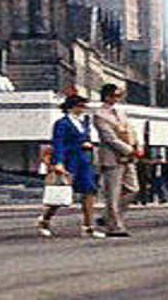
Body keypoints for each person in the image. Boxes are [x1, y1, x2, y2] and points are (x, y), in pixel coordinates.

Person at [38, 92, 103, 239]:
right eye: (80, 106)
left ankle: (88, 226)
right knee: (61, 193)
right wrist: (58, 162)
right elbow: (58, 143)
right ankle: (45, 219)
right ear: (71, 107)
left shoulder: (84, 122)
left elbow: (85, 138)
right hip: (69, 160)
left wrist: (87, 144)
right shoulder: (62, 123)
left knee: (89, 190)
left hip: (83, 160)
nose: (82, 109)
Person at [90, 83, 141, 237]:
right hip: (112, 158)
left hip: (128, 158)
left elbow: (131, 130)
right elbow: (109, 138)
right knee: (113, 193)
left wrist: (137, 145)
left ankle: (107, 216)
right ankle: (115, 227)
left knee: (133, 189)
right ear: (107, 96)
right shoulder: (99, 115)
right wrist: (129, 150)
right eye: (115, 96)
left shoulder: (120, 112)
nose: (118, 99)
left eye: (119, 96)